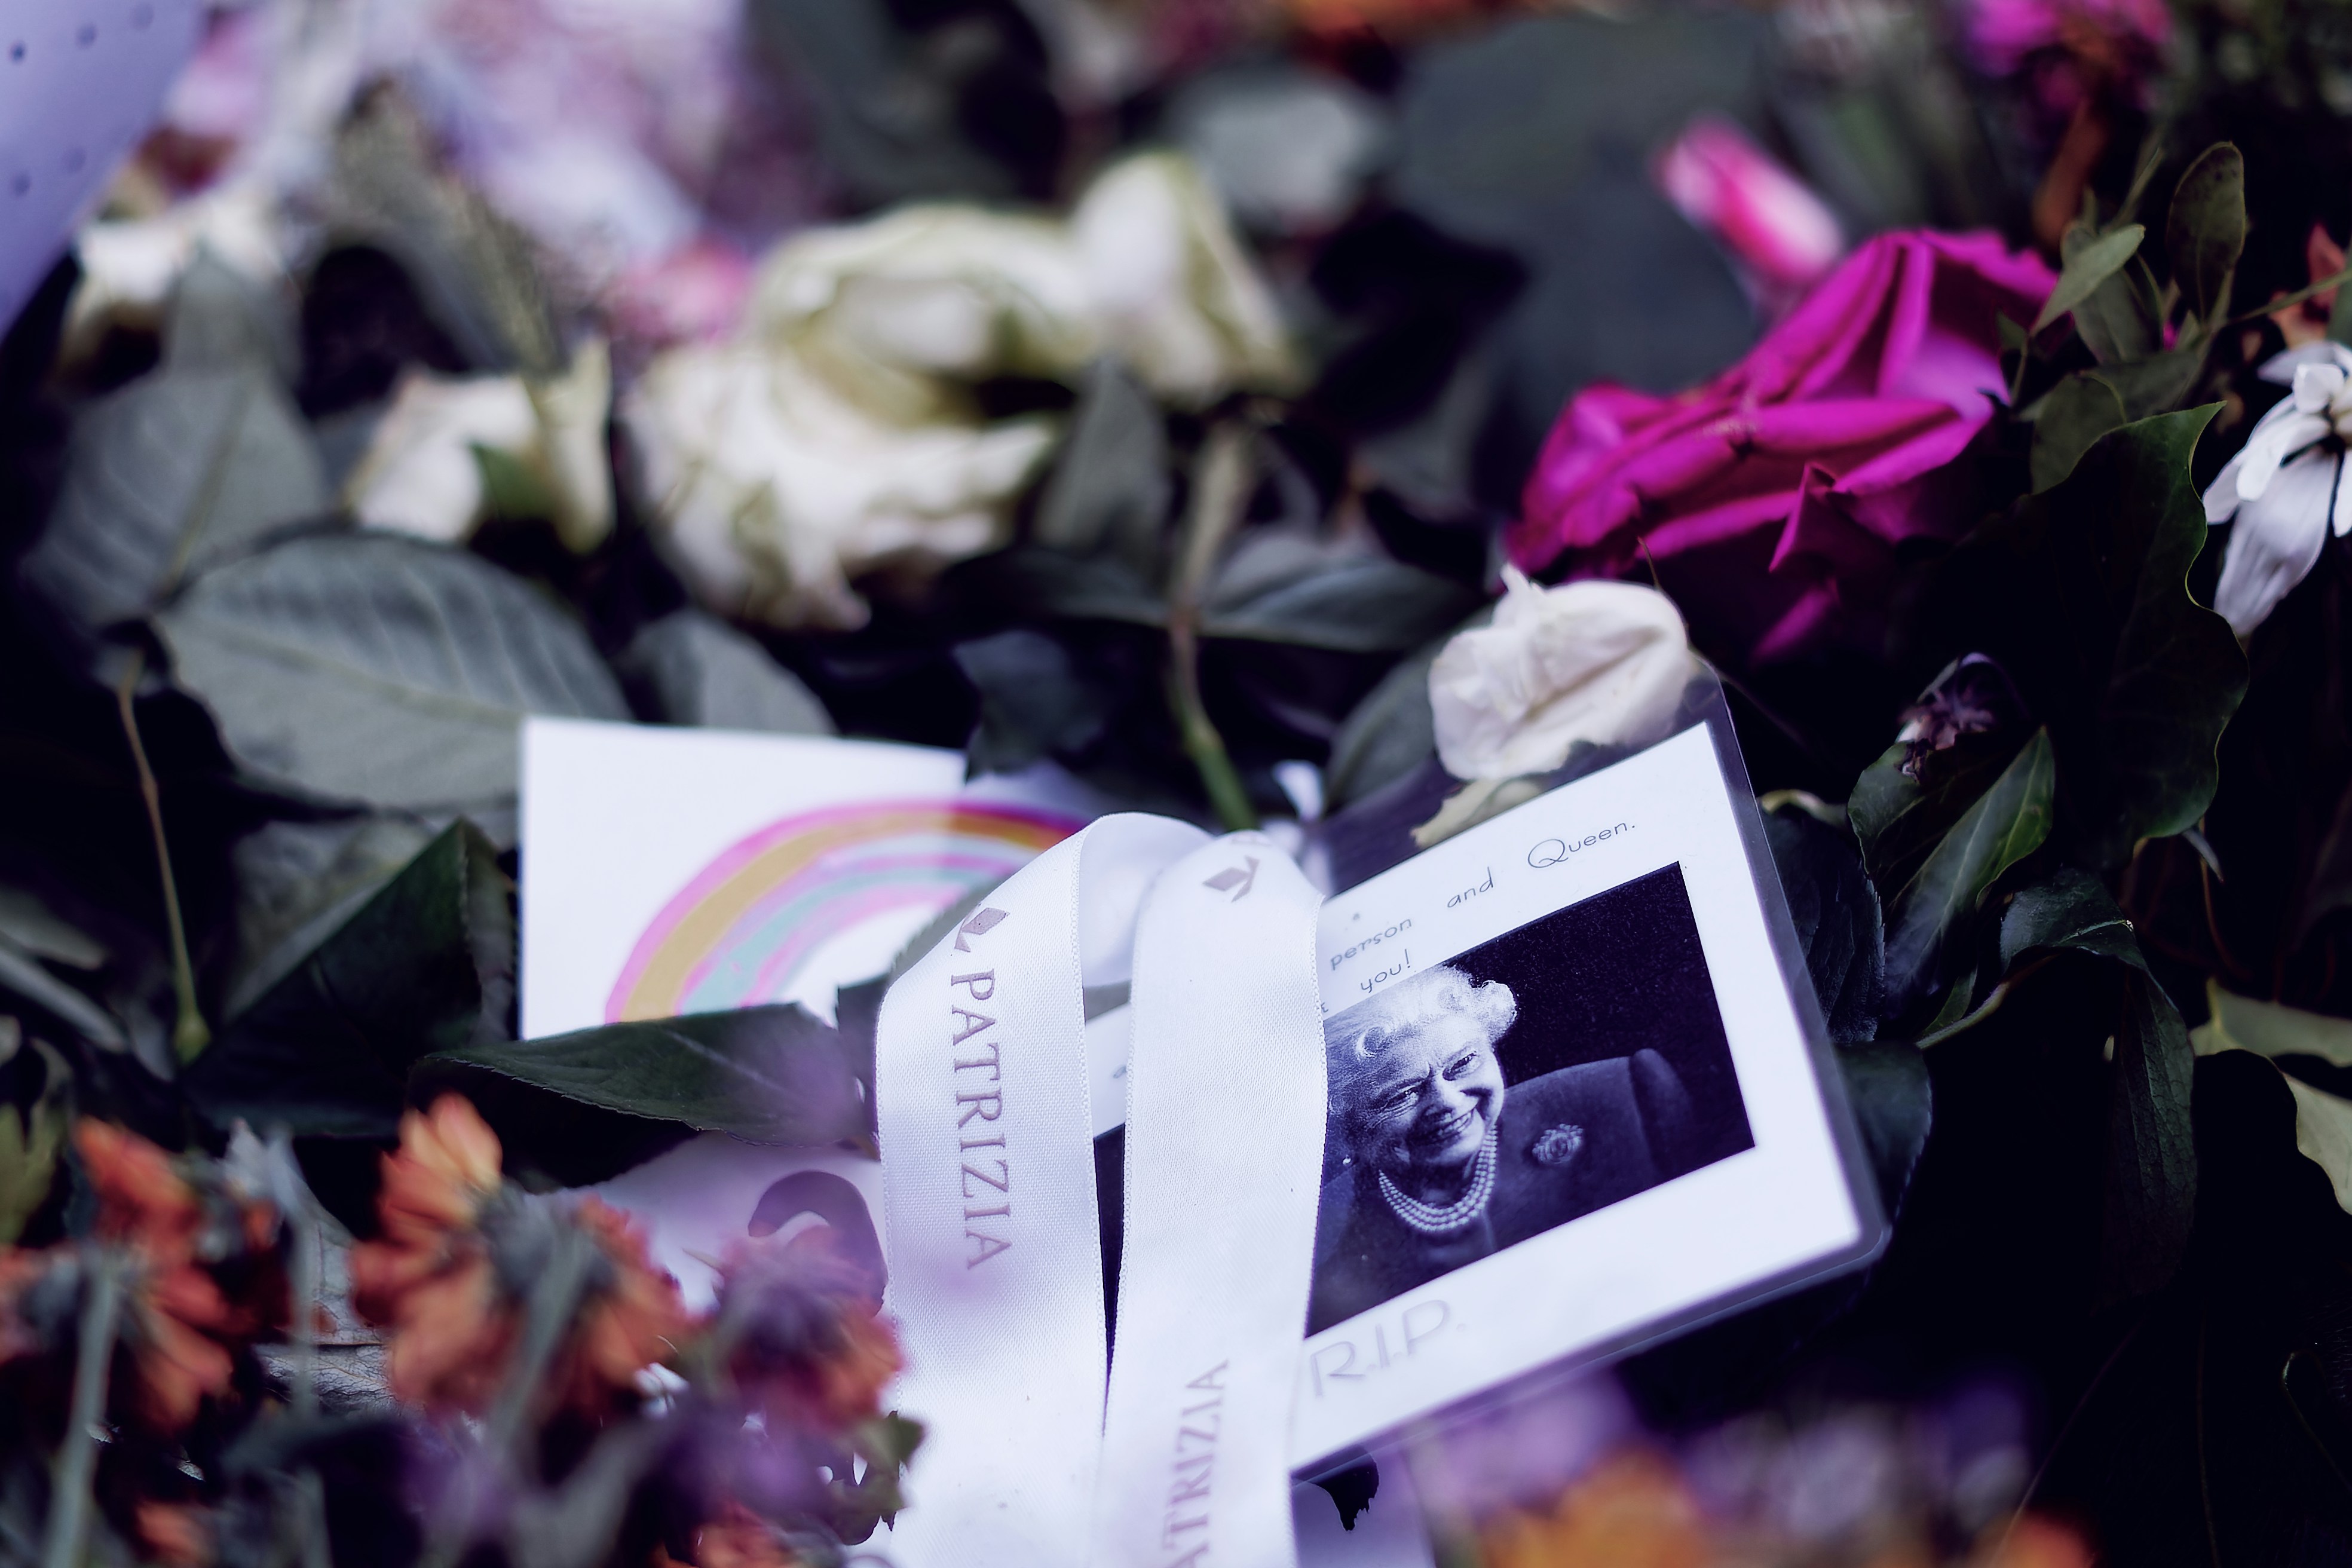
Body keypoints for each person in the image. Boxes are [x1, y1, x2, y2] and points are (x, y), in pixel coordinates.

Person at [1307, 963, 1699, 1334]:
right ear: (1349, 1126)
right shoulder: (1314, 1239)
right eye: (1402, 1095)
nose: (1447, 1101)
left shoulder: (1623, 1096)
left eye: (1462, 1063)